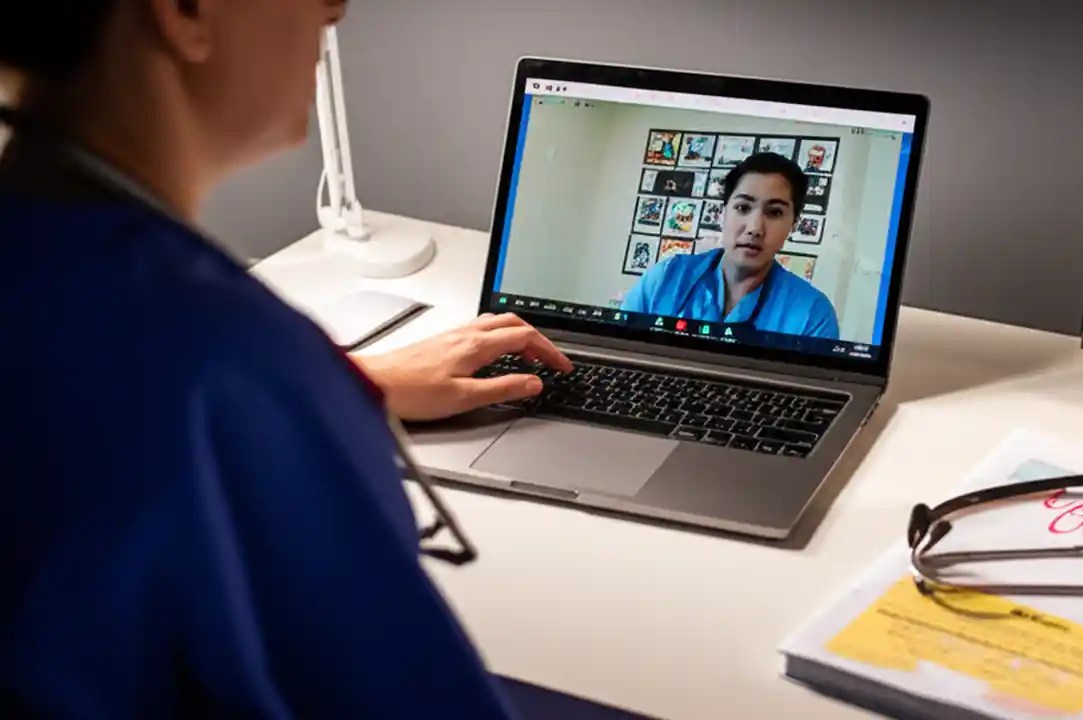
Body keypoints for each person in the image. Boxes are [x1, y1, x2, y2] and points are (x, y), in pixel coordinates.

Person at [0, 1, 573, 717]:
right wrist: (295, 397)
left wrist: (343, 386)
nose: (336, 8)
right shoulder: (225, 356)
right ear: (183, 11)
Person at [621, 152, 841, 339]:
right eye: (743, 208)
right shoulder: (666, 278)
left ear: (793, 225)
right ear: (722, 214)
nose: (755, 228)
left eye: (775, 212)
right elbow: (622, 349)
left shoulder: (813, 315)